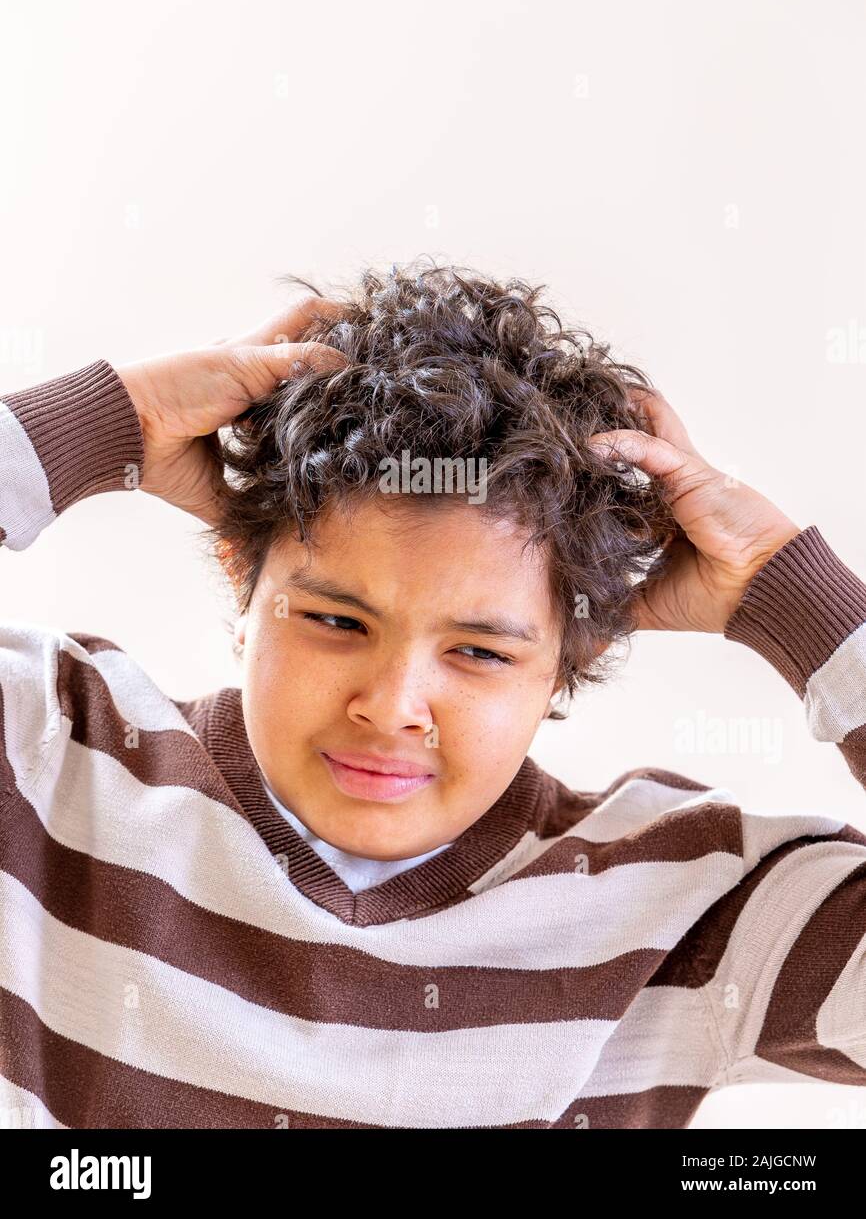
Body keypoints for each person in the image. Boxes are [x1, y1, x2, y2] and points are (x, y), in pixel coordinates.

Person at [1, 260, 864, 1130]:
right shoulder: (52, 757)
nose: (392, 705)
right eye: (338, 623)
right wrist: (112, 420)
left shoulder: (682, 904)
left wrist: (793, 592)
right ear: (243, 580)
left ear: (573, 653)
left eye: (480, 651)